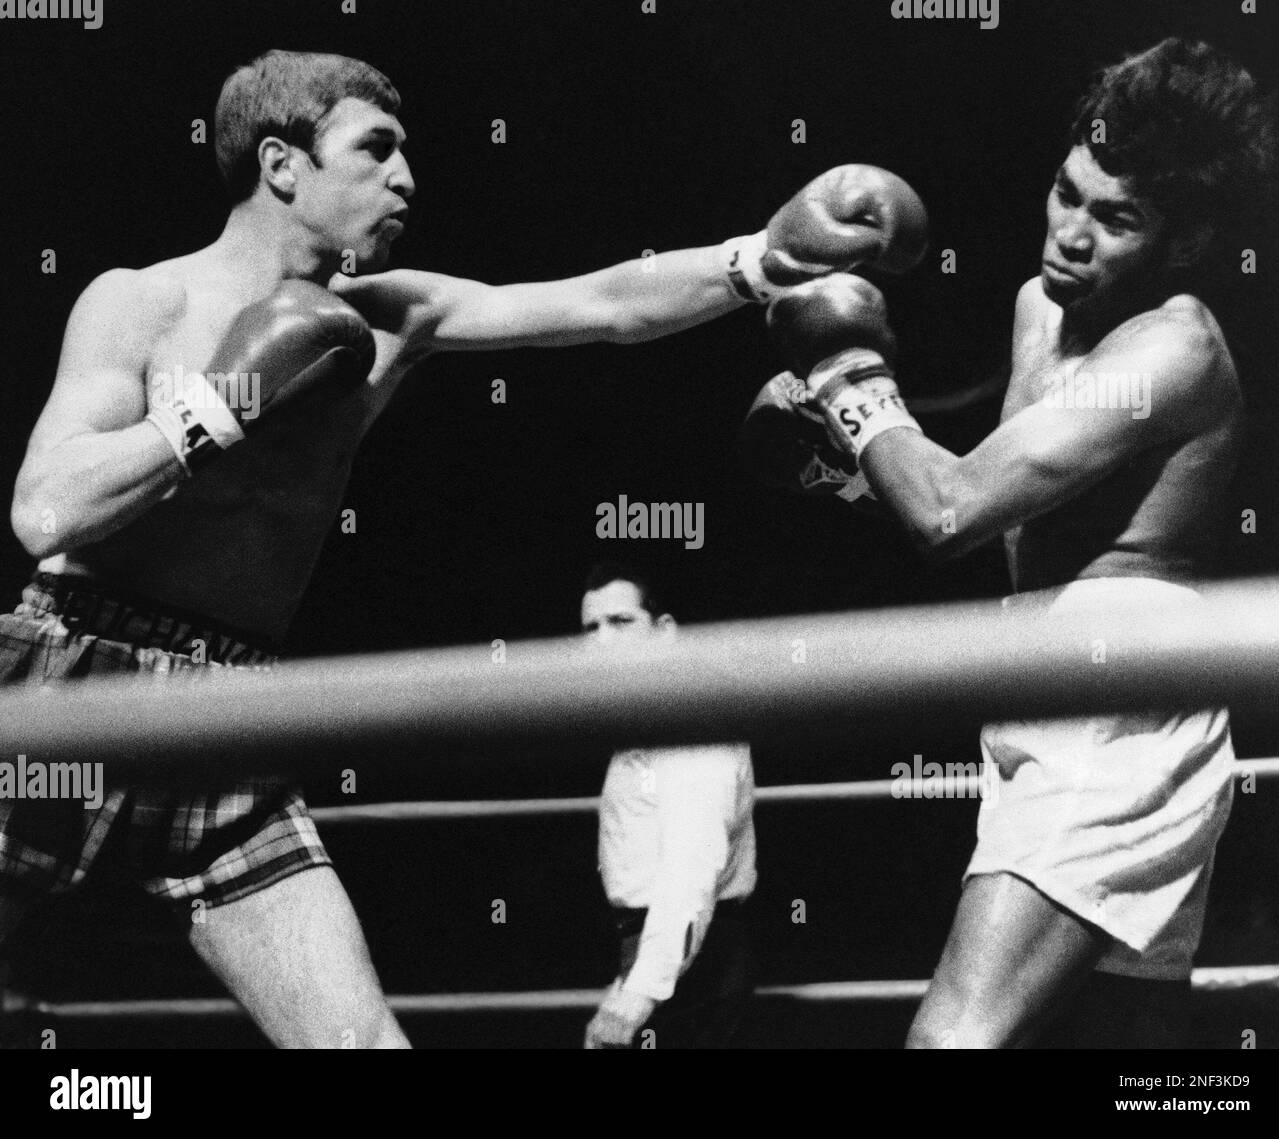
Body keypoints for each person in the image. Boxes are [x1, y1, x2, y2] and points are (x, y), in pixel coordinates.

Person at [1, 48, 923, 1048]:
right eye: (376, 149)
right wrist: (223, 406)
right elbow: (46, 511)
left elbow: (599, 305)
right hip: (76, 681)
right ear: (281, 165)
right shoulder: (144, 302)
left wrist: (764, 261)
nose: (406, 179)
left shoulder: (390, 315)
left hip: (233, 708)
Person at [742, 37, 1279, 1047]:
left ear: (1187, 240)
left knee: (954, 1035)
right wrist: (833, 458)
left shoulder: (1174, 346)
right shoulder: (1040, 307)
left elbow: (945, 512)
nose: (1072, 234)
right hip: (1041, 669)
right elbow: (977, 502)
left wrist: (847, 371)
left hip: (1120, 680)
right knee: (1129, 1043)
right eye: (1067, 193)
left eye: (1115, 219)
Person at [579, 563, 757, 1049]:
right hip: (670, 946)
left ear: (664, 632)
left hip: (692, 952)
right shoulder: (650, 720)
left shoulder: (691, 722)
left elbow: (691, 868)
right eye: (590, 628)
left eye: (620, 622)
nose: (602, 640)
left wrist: (638, 993)